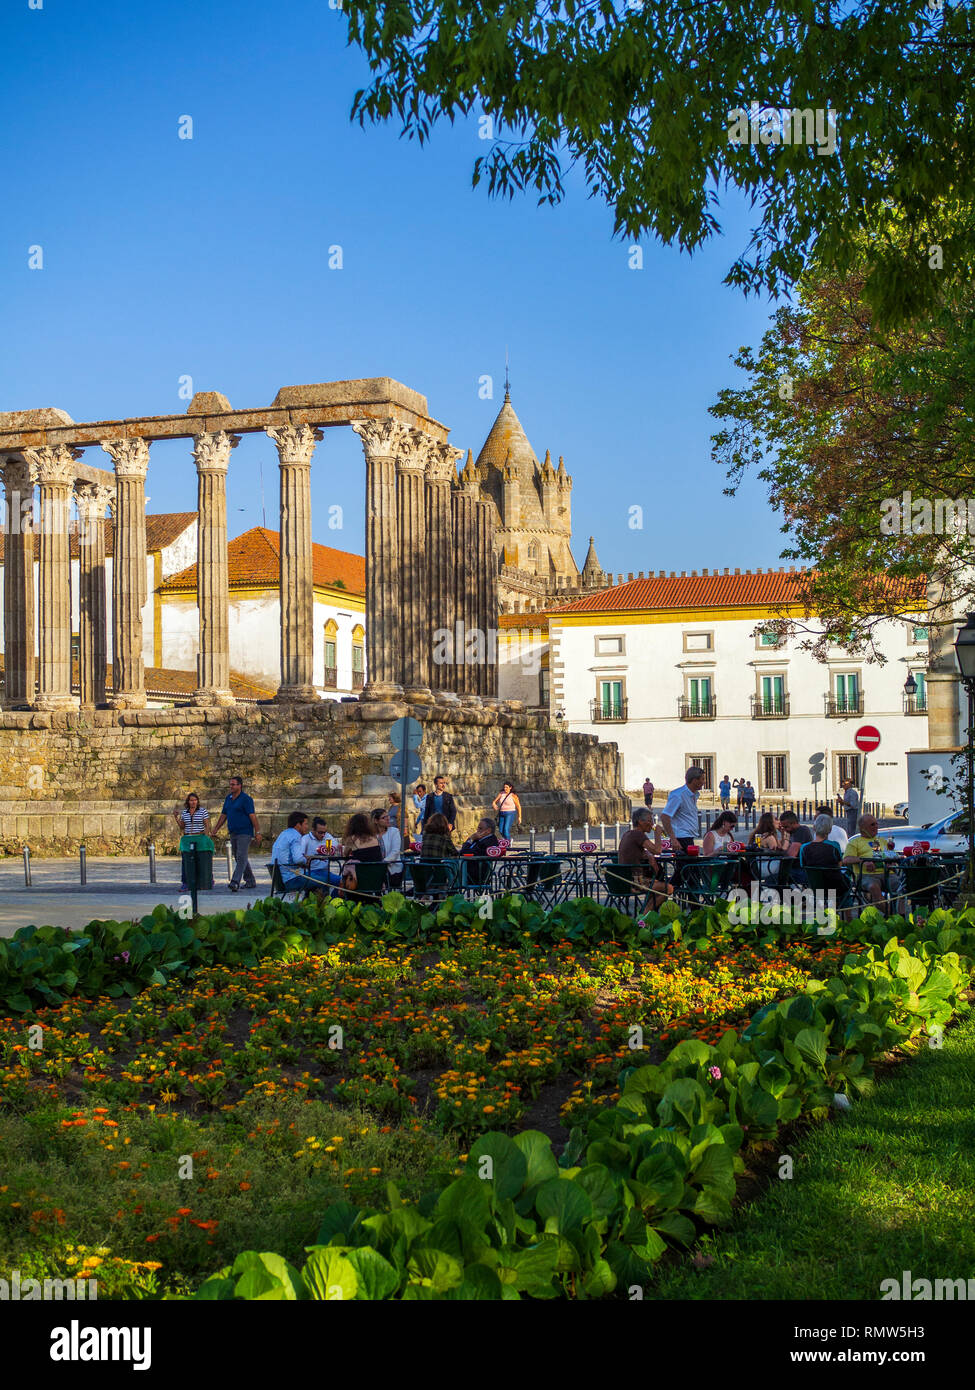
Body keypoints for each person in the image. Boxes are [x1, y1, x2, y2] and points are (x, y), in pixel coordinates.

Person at [213, 775, 261, 893]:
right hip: (233, 832)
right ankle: (250, 880)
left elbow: (252, 816)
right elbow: (224, 815)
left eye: (233, 784)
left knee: (241, 856)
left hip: (244, 832)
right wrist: (216, 829)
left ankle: (235, 881)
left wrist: (258, 832)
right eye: (230, 784)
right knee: (239, 857)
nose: (231, 786)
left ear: (240, 785)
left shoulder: (246, 799)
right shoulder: (228, 798)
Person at [617, 807, 671, 905]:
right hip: (635, 881)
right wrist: (657, 833)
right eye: (650, 821)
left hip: (624, 879)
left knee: (657, 883)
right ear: (640, 822)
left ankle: (646, 913)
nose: (652, 824)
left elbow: (641, 852)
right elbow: (657, 850)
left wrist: (649, 856)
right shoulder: (638, 834)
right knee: (669, 888)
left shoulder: (628, 834)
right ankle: (646, 913)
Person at [798, 815, 850, 900]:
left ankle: (823, 910)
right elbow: (839, 866)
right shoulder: (834, 846)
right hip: (835, 886)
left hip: (814, 887)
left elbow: (803, 866)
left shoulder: (804, 847)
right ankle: (845, 912)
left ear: (814, 828)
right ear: (829, 830)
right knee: (846, 887)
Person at [270, 811, 320, 894]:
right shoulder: (296, 836)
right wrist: (306, 859)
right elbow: (298, 859)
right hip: (290, 879)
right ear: (298, 825)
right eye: (306, 824)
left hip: (279, 880)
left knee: (315, 879)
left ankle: (307, 904)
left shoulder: (284, 833)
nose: (307, 827)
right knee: (325, 881)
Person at [842, 812, 885, 904]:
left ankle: (900, 915)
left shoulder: (880, 841)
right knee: (873, 887)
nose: (876, 826)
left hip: (886, 873)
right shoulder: (855, 842)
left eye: (877, 823)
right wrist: (863, 861)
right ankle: (890, 915)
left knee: (903, 886)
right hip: (866, 876)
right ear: (863, 828)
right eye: (872, 824)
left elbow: (884, 854)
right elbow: (846, 860)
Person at [660, 767, 706, 850]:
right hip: (681, 838)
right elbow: (665, 817)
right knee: (685, 862)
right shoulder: (678, 795)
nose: (704, 782)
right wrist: (673, 839)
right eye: (702, 779)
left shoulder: (694, 794)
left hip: (689, 837)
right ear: (695, 780)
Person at [173, 792, 211, 892]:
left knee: (201, 860)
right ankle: (185, 883)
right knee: (186, 861)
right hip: (188, 839)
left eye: (195, 800)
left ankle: (205, 880)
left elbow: (207, 825)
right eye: (191, 800)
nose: (193, 802)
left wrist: (206, 837)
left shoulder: (203, 811)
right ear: (188, 802)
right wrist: (176, 818)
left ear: (197, 801)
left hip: (199, 837)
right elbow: (182, 826)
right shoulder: (185, 813)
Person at [458, 816, 501, 886]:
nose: (477, 830)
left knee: (449, 865)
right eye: (478, 828)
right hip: (468, 870)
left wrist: (471, 839)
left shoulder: (489, 841)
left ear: (488, 830)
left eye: (480, 828)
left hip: (475, 874)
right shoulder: (479, 838)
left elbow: (464, 852)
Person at [301, 817, 340, 885]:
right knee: (325, 881)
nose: (323, 835)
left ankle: (332, 895)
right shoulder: (305, 839)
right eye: (320, 832)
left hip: (325, 871)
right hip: (311, 871)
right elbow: (300, 855)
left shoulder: (327, 836)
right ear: (313, 830)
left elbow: (336, 847)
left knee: (341, 881)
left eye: (324, 832)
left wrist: (333, 849)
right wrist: (306, 858)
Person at [779, 809, 813, 885]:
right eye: (782, 827)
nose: (784, 829)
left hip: (800, 869)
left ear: (794, 823)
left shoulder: (801, 830)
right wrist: (783, 835)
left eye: (786, 827)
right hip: (795, 868)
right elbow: (782, 847)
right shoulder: (791, 832)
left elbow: (790, 856)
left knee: (772, 878)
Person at [372, 806, 403, 889]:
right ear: (376, 821)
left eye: (388, 816)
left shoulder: (394, 831)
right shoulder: (371, 835)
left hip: (392, 869)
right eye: (384, 817)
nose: (388, 819)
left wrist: (382, 863)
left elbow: (395, 852)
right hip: (376, 869)